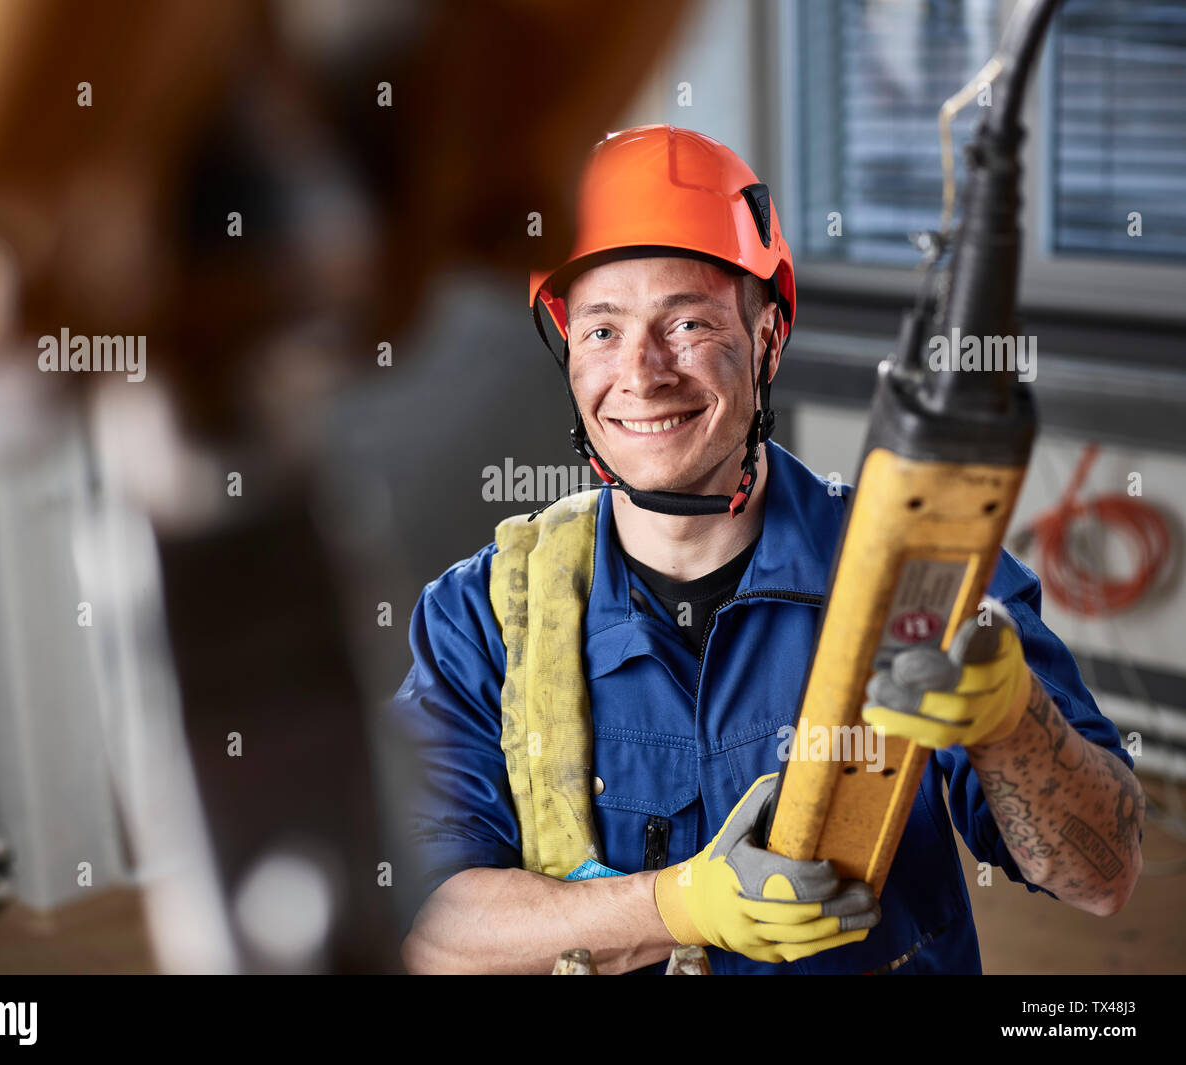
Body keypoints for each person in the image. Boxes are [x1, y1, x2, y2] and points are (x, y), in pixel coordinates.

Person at [388, 125, 1144, 975]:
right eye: (602, 330)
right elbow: (427, 934)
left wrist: (1011, 718)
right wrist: (677, 905)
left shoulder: (917, 569)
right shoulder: (486, 616)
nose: (640, 372)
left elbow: (1103, 876)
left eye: (687, 323)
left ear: (768, 338)